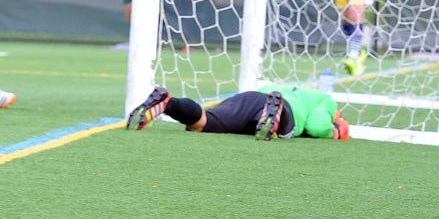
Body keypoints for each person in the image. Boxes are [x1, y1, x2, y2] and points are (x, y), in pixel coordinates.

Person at [126, 83, 350, 141]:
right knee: (287, 126)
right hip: (282, 107)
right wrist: (336, 131)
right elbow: (317, 126)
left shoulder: (283, 87)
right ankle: (276, 112)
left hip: (249, 97)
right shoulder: (325, 99)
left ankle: (169, 103)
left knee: (202, 122)